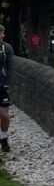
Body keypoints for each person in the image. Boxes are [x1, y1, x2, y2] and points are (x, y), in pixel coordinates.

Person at [0, 24, 13, 153]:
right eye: (0, 33)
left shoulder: (7, 48)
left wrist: (7, 83)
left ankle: (3, 138)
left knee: (4, 115)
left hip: (2, 86)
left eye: (3, 33)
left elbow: (10, 67)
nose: (3, 35)